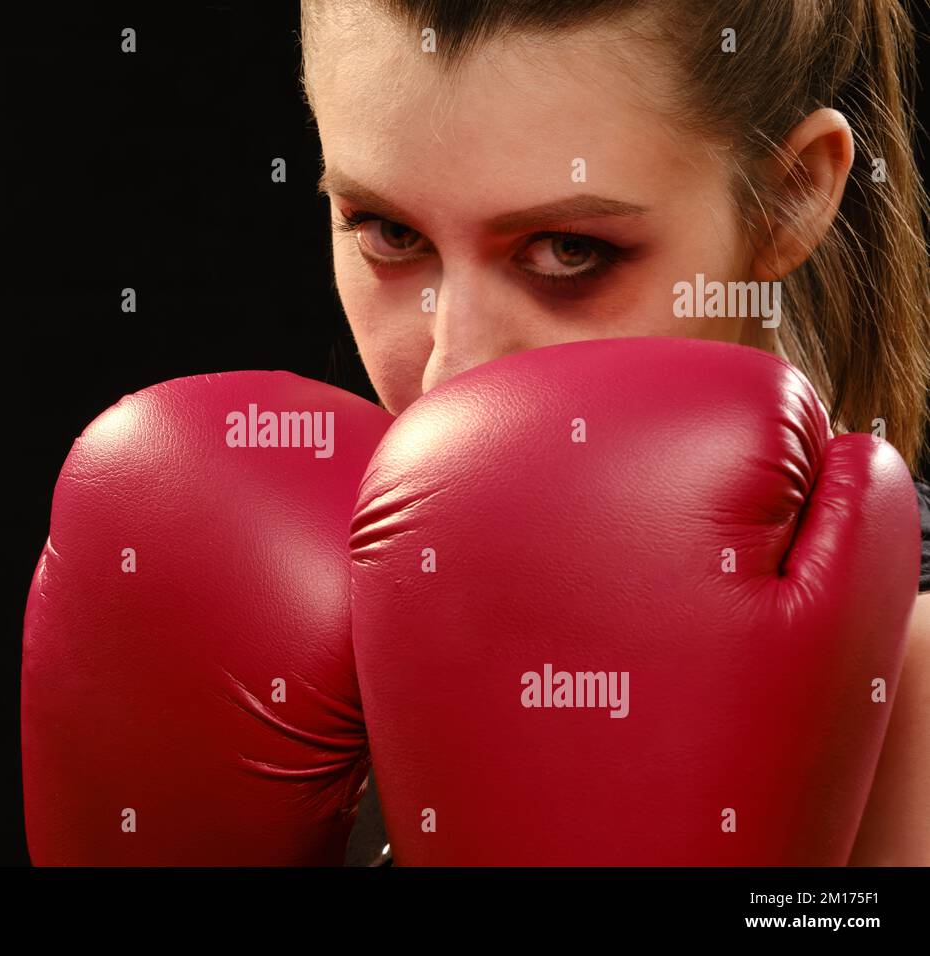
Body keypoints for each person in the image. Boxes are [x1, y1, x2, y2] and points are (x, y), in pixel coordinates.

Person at [297, 0, 930, 866]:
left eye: (567, 250)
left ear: (788, 200)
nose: (453, 373)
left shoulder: (912, 680)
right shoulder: (268, 623)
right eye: (390, 233)